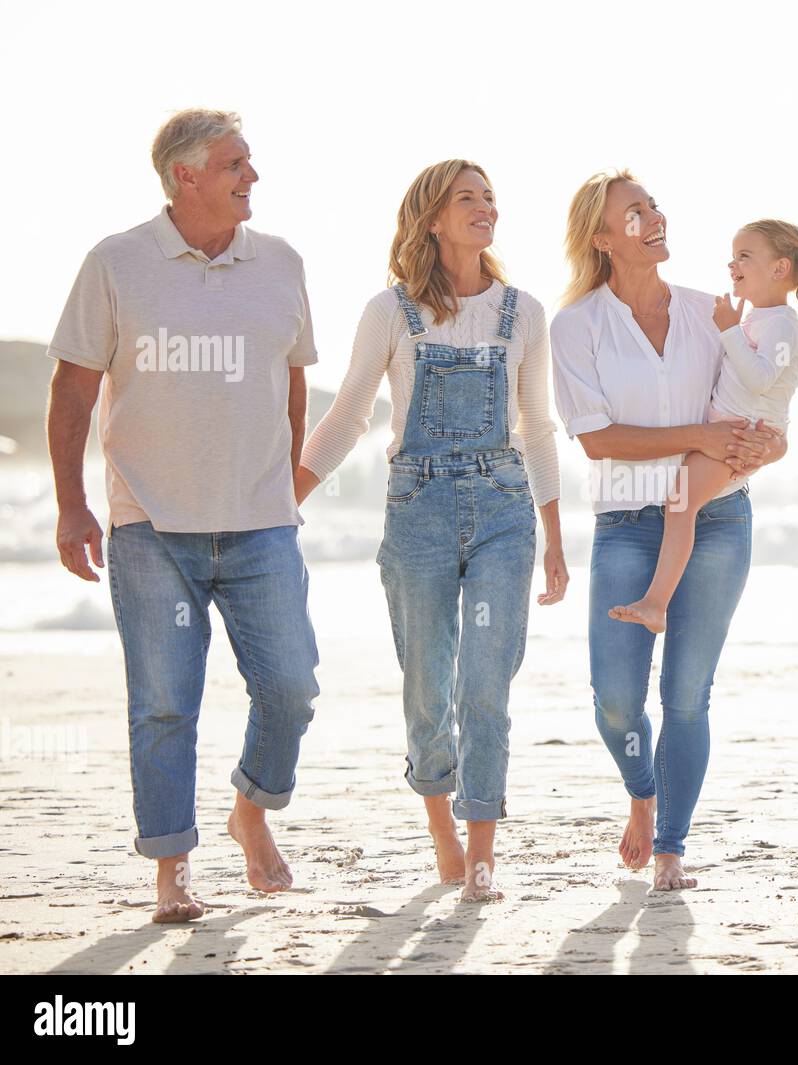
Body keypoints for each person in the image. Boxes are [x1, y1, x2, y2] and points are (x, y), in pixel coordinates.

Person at [46, 109, 320, 922]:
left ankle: (251, 808)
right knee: (164, 701)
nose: (253, 176)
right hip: (149, 528)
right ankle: (172, 871)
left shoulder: (282, 263)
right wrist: (71, 504)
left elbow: (294, 382)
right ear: (185, 175)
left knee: (292, 687)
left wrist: (287, 488)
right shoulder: (117, 262)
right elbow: (72, 389)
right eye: (236, 163)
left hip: (261, 523)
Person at [295, 160, 566, 902]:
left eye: (490, 197)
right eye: (466, 198)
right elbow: (350, 413)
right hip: (417, 510)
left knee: (486, 682)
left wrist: (556, 542)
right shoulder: (391, 312)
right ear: (433, 218)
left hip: (505, 508)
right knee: (426, 683)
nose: (485, 208)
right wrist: (288, 495)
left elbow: (538, 427)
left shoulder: (525, 311)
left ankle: (481, 851)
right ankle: (440, 824)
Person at [551, 170, 786, 891]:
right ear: (601, 237)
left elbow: (763, 404)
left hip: (717, 519)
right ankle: (642, 792)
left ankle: (671, 849)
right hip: (624, 524)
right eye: (634, 212)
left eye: (652, 206)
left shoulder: (711, 312)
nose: (654, 217)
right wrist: (702, 437)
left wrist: (765, 445)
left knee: (687, 694)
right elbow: (596, 438)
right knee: (616, 699)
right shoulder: (576, 326)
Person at [610, 218, 798, 633]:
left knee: (681, 503)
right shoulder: (759, 320)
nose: (732, 264)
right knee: (681, 504)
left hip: (739, 437)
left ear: (779, 269)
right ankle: (658, 602)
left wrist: (729, 331)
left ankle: (656, 603)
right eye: (732, 256)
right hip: (730, 431)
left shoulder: (781, 325)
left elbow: (760, 378)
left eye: (744, 256)